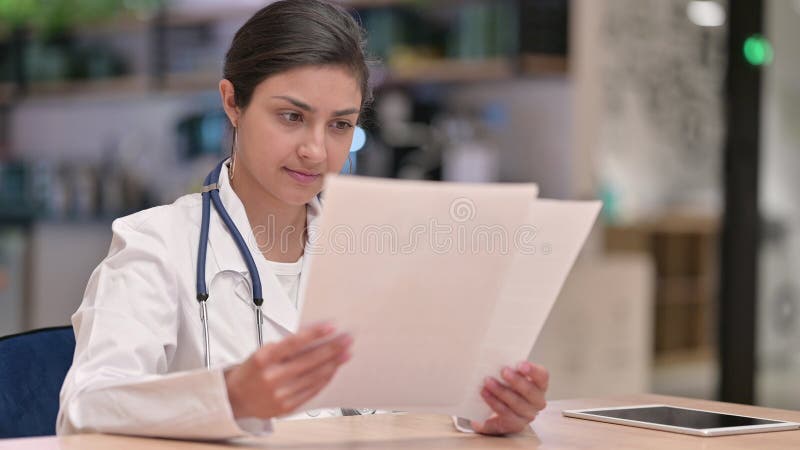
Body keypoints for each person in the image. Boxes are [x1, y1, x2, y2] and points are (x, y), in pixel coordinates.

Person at [56, 0, 548, 440]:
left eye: (340, 125)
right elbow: (83, 411)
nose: (316, 150)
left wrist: (480, 415)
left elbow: (415, 402)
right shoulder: (155, 245)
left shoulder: (376, 247)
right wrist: (231, 398)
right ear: (233, 102)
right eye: (292, 116)